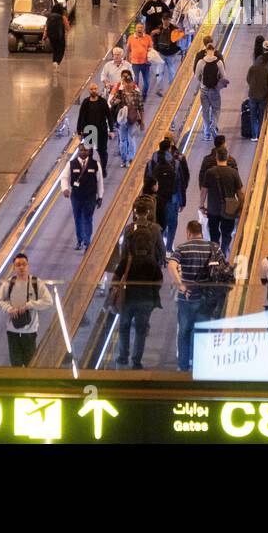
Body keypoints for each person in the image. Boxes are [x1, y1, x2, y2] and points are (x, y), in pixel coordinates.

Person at [168, 220, 225, 371]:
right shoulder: (214, 248)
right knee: (202, 333)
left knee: (184, 333)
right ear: (201, 231)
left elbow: (171, 266)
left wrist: (181, 285)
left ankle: (183, 367)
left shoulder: (182, 248)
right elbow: (224, 270)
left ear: (188, 232)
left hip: (186, 298)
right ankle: (199, 366)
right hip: (206, 300)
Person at [114, 208, 163, 369]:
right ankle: (136, 360)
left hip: (127, 299)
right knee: (141, 331)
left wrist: (115, 290)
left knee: (124, 328)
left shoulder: (127, 260)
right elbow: (159, 281)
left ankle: (123, 356)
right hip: (146, 301)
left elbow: (116, 277)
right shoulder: (152, 262)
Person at [0, 252, 52, 366]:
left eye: (24, 264)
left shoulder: (36, 283)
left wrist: (30, 305)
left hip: (30, 332)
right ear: (14, 267)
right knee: (15, 363)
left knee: (30, 364)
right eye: (18, 265)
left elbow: (49, 301)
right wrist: (9, 308)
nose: (21, 267)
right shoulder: (9, 283)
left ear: (28, 266)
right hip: (12, 331)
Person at [200, 147, 244, 257]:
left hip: (213, 209)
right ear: (227, 158)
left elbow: (204, 191)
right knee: (227, 233)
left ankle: (215, 254)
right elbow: (240, 193)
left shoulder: (210, 172)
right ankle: (224, 253)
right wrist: (241, 207)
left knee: (214, 234)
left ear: (216, 158)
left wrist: (201, 206)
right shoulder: (233, 173)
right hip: (229, 210)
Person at [63, 142, 103, 251]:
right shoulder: (71, 164)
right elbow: (65, 177)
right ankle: (79, 240)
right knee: (78, 218)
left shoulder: (95, 164)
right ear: (78, 151)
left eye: (85, 150)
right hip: (76, 196)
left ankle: (87, 241)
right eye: (81, 150)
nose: (83, 152)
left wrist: (100, 196)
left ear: (89, 151)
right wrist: (65, 189)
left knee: (88, 218)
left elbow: (99, 181)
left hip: (90, 196)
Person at [76, 83, 114, 173]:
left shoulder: (102, 102)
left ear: (97, 90)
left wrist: (111, 130)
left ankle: (103, 169)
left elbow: (109, 116)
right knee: (89, 152)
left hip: (101, 131)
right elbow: (81, 117)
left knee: (102, 151)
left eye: (95, 89)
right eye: (92, 89)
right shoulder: (86, 102)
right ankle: (90, 169)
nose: (93, 90)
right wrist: (79, 132)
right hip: (89, 131)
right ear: (89, 90)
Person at [110, 71, 144, 168]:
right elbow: (112, 103)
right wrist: (116, 102)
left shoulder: (137, 95)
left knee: (131, 139)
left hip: (133, 121)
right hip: (122, 121)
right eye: (126, 83)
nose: (128, 84)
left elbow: (141, 108)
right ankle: (124, 159)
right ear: (123, 84)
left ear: (132, 83)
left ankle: (130, 158)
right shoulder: (119, 94)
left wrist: (142, 121)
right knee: (123, 141)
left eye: (130, 83)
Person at [194, 43, 227, 142]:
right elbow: (224, 77)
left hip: (204, 90)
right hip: (215, 90)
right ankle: (213, 126)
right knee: (216, 110)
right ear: (214, 51)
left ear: (205, 51)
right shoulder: (219, 63)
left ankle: (206, 134)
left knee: (205, 111)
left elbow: (196, 76)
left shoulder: (201, 62)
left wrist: (202, 82)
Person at [245, 50, 268, 143]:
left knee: (253, 116)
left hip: (252, 95)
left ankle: (254, 136)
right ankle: (261, 134)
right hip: (263, 97)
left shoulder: (252, 68)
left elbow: (248, 79)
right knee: (262, 115)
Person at [126, 21, 154, 98]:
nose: (140, 29)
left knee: (147, 82)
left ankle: (144, 95)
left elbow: (151, 49)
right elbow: (128, 50)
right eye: (138, 27)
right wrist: (127, 60)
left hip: (146, 63)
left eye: (141, 27)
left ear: (143, 29)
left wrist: (151, 60)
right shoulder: (130, 38)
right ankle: (136, 97)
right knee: (136, 81)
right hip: (134, 63)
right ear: (135, 29)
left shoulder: (148, 37)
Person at [45, 2, 68, 73]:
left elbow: (46, 28)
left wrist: (45, 36)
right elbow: (68, 28)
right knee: (61, 50)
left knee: (55, 50)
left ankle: (54, 62)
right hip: (60, 37)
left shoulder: (49, 17)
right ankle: (57, 62)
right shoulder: (62, 17)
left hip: (51, 37)